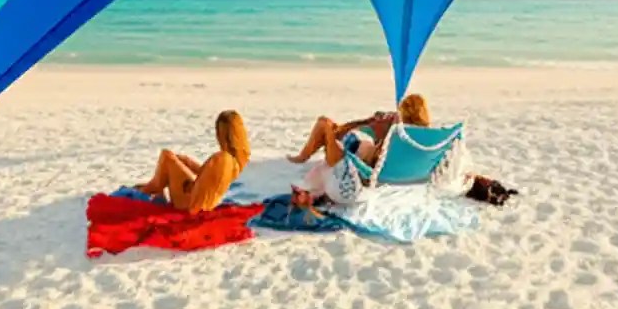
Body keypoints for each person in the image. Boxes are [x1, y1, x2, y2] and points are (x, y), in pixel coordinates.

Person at [286, 94, 432, 206]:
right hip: (357, 152)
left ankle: (303, 157)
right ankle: (304, 157)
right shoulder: (421, 140)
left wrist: (381, 125)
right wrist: (372, 122)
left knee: (324, 123)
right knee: (331, 127)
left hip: (350, 165)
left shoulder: (394, 138)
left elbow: (372, 164)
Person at [135, 109, 251, 212]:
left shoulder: (221, 158)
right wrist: (188, 163)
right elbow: (210, 178)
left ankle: (147, 191)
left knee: (167, 156)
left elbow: (202, 184)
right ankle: (155, 191)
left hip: (191, 204)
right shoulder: (236, 160)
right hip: (204, 203)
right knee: (177, 160)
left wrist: (190, 185)